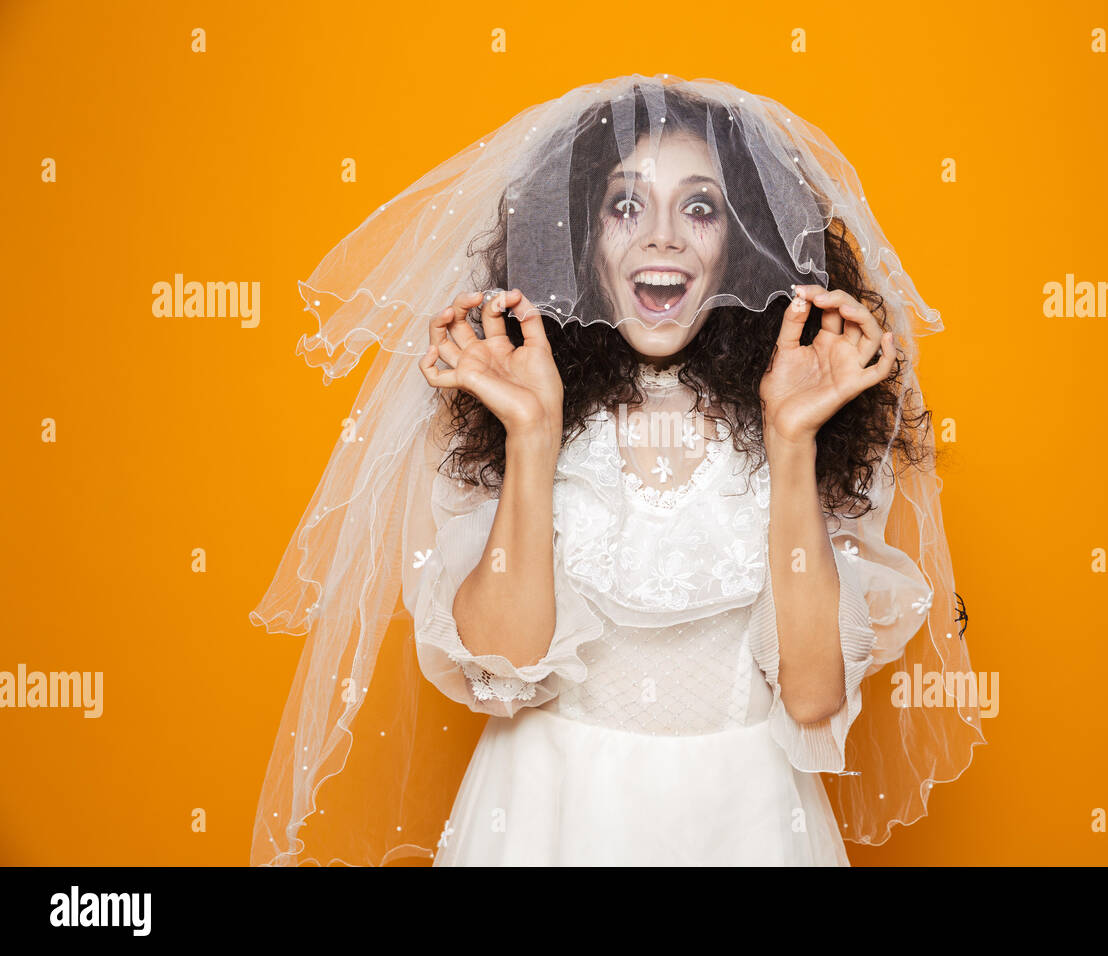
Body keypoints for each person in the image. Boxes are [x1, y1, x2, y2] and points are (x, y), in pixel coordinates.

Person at [250, 74, 985, 867]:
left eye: (700, 208)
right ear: (579, 237)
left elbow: (812, 696)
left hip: (749, 826)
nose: (662, 237)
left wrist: (791, 439)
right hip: (544, 820)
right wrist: (533, 435)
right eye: (626, 205)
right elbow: (505, 665)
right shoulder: (514, 400)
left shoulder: (794, 404)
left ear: (740, 245)